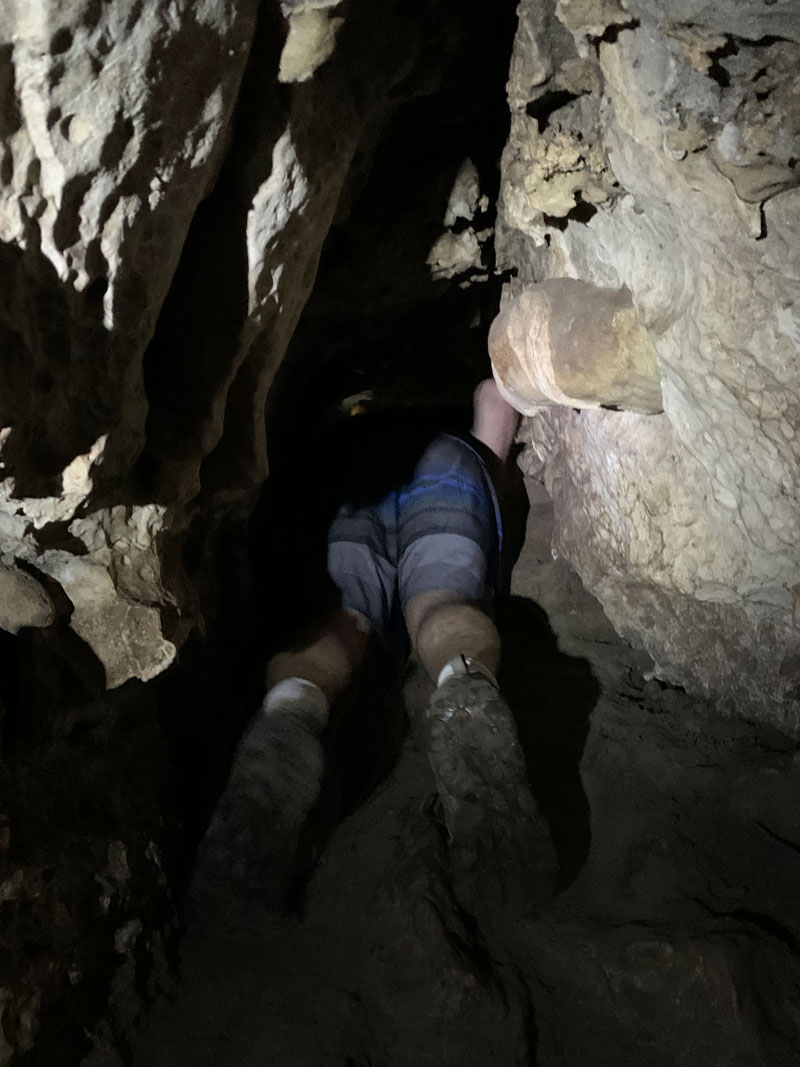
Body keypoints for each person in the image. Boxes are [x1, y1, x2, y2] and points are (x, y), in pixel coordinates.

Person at [195, 378, 557, 925]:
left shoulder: (339, 430)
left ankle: (293, 710)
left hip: (352, 475)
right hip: (446, 460)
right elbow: (493, 397)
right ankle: (463, 682)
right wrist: (495, 456)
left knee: (344, 617)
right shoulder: (443, 430)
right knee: (441, 602)